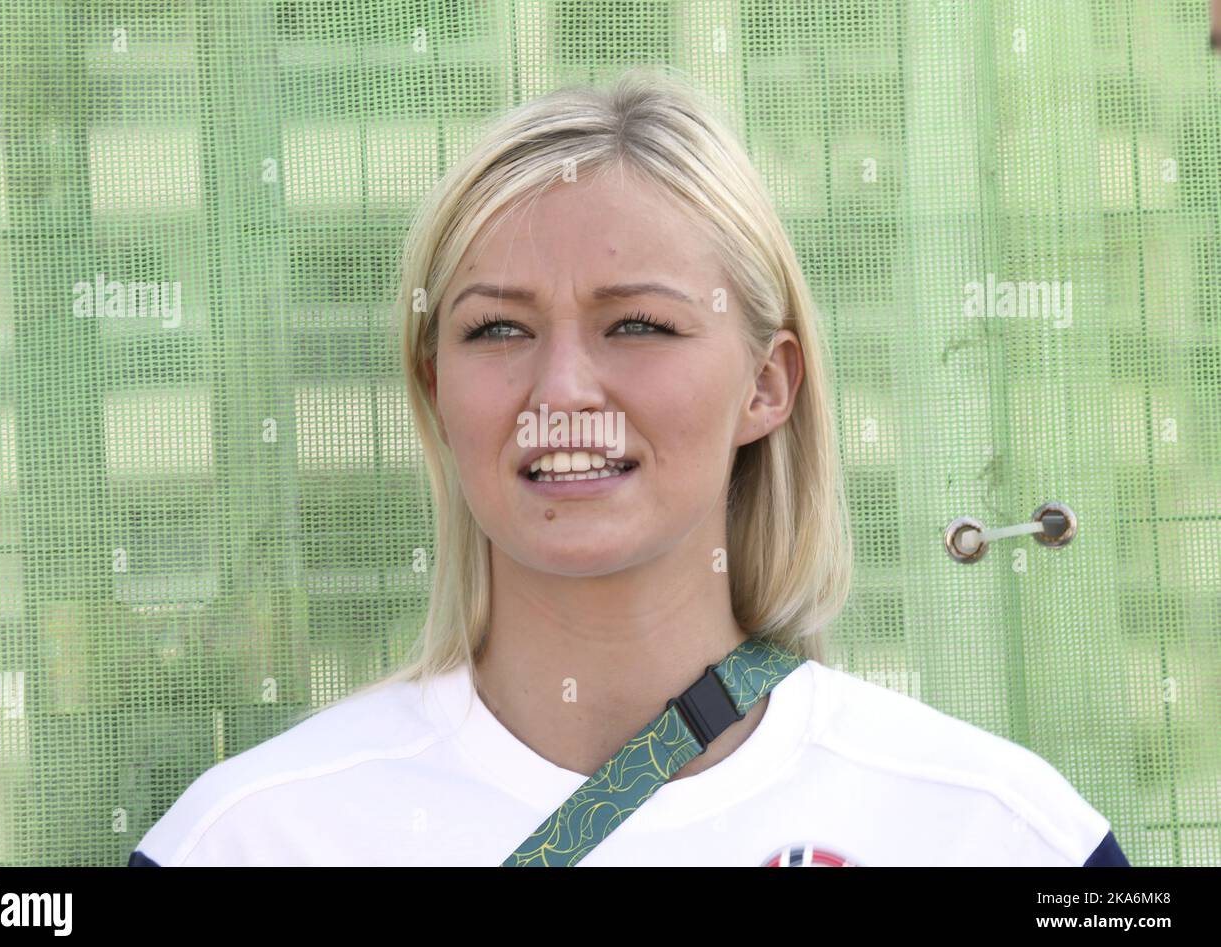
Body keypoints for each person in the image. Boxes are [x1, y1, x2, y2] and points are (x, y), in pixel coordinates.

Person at [129, 66, 1129, 867]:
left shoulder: (996, 834)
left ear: (766, 385)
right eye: (498, 327)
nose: (560, 389)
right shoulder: (250, 839)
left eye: (639, 323)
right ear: (435, 386)